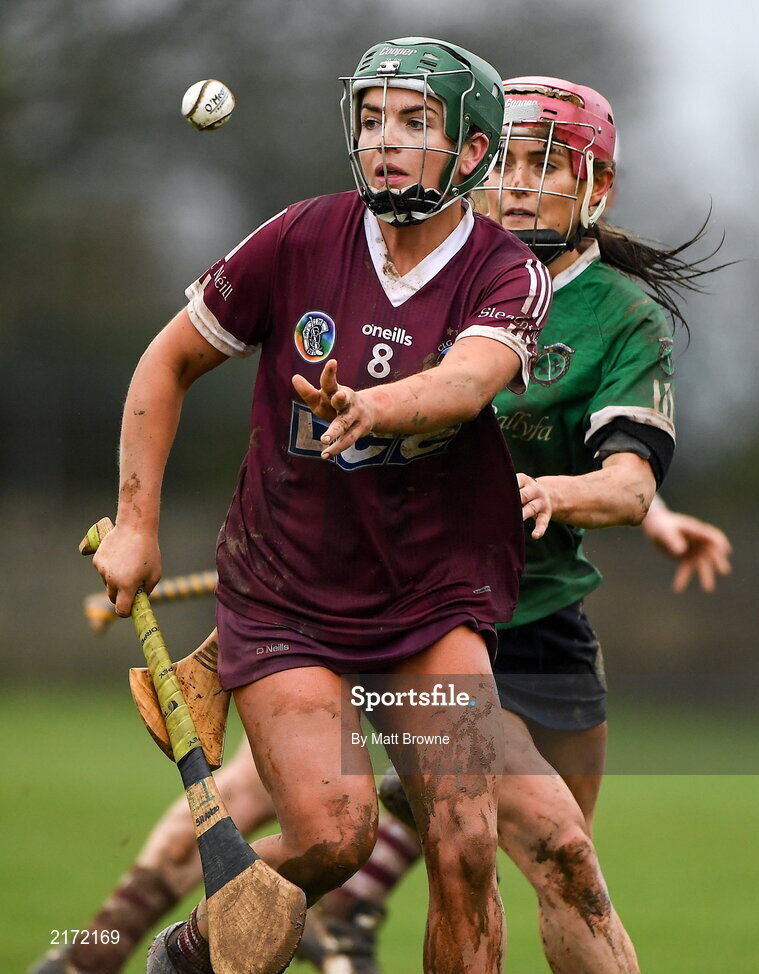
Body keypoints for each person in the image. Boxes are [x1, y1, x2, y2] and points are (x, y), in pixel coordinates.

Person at [29, 75, 733, 974]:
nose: (518, 185)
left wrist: (597, 500)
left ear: (596, 188)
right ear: (475, 161)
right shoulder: (433, 258)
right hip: (378, 602)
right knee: (296, 817)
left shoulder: (593, 309)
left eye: (542, 165)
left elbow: (604, 464)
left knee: (552, 857)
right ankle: (97, 952)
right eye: (507, 162)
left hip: (530, 621)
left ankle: (329, 923)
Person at [84, 36, 555, 974]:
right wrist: (135, 522)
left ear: (469, 154)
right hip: (287, 599)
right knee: (335, 838)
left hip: (428, 602)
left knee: (463, 845)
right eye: (372, 117)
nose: (385, 139)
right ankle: (190, 954)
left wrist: (373, 405)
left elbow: (466, 382)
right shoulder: (298, 235)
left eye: (415, 123)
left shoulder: (506, 271)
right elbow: (166, 361)